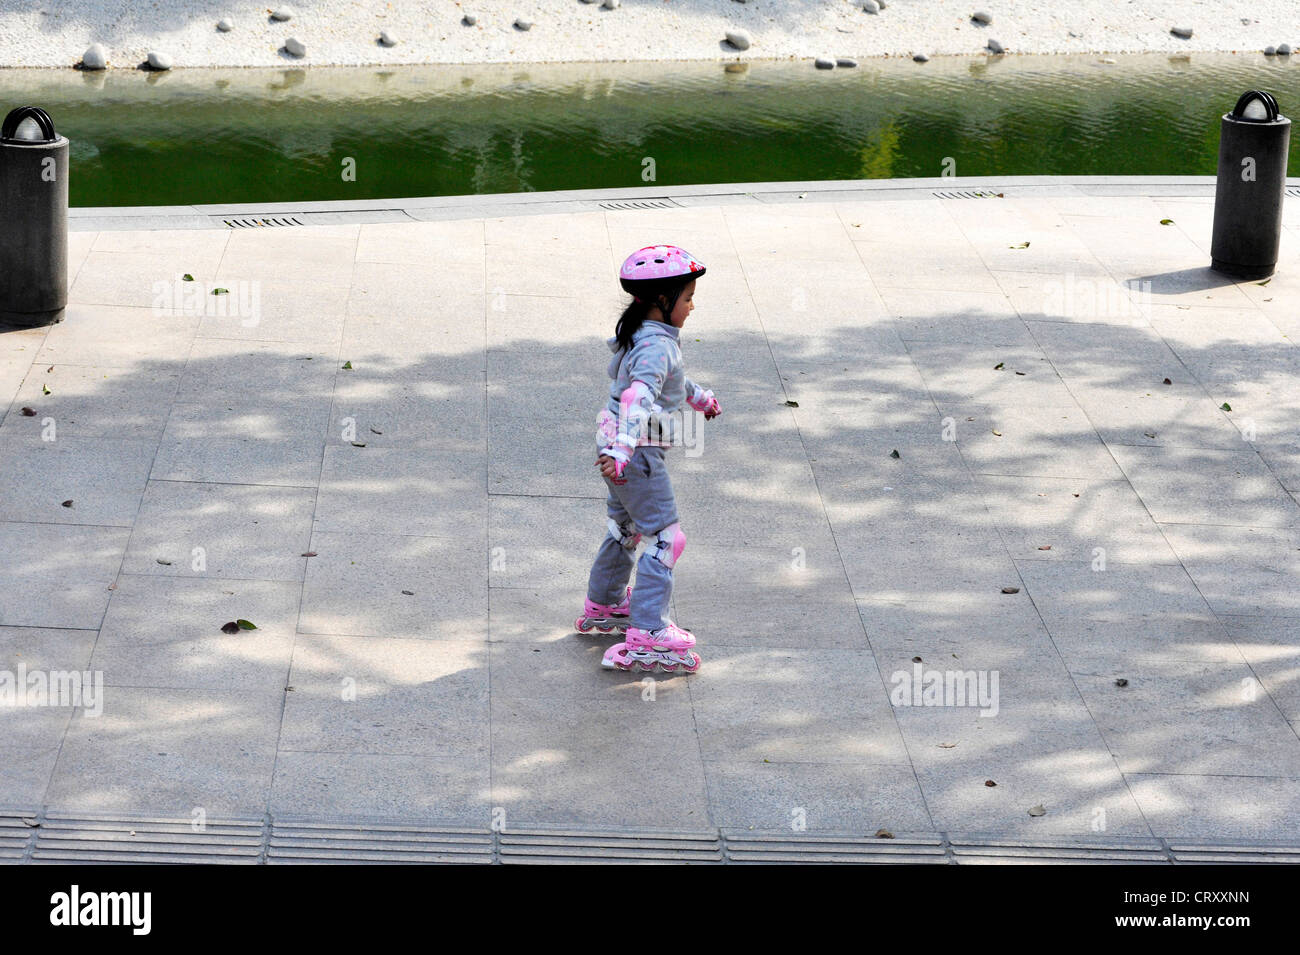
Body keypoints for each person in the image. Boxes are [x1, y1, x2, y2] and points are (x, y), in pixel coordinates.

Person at [575, 244, 721, 673]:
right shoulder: (657, 346)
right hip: (635, 453)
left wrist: (700, 398)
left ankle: (604, 602)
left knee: (624, 528)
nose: (692, 306)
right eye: (688, 297)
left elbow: (669, 381)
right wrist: (624, 449)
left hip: (616, 447)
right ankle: (648, 631)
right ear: (662, 300)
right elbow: (640, 395)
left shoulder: (644, 336)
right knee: (665, 538)